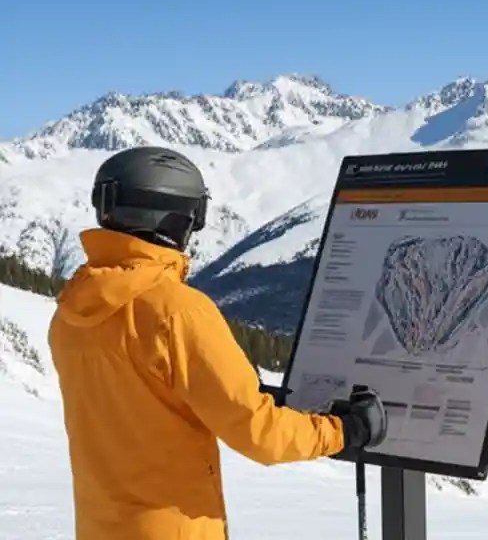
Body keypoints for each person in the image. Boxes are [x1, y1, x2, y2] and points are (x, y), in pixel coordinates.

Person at [47, 145, 388, 539]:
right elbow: (260, 435)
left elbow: (139, 401)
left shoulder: (72, 310)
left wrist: (235, 390)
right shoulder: (177, 311)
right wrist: (346, 430)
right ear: (177, 220)